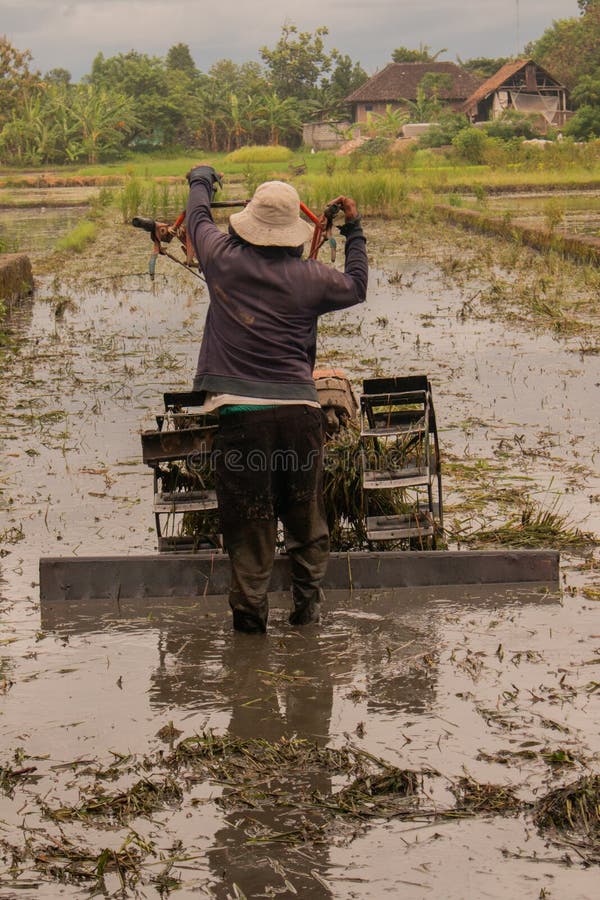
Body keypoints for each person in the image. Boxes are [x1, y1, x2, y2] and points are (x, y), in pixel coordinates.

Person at [185, 165, 368, 633]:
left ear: (246, 225)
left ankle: (250, 635)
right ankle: (306, 615)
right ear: (293, 232)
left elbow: (198, 217)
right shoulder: (312, 277)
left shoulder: (220, 258)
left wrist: (201, 179)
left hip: (241, 422)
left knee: (251, 529)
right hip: (298, 421)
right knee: (306, 522)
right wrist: (354, 230)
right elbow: (357, 285)